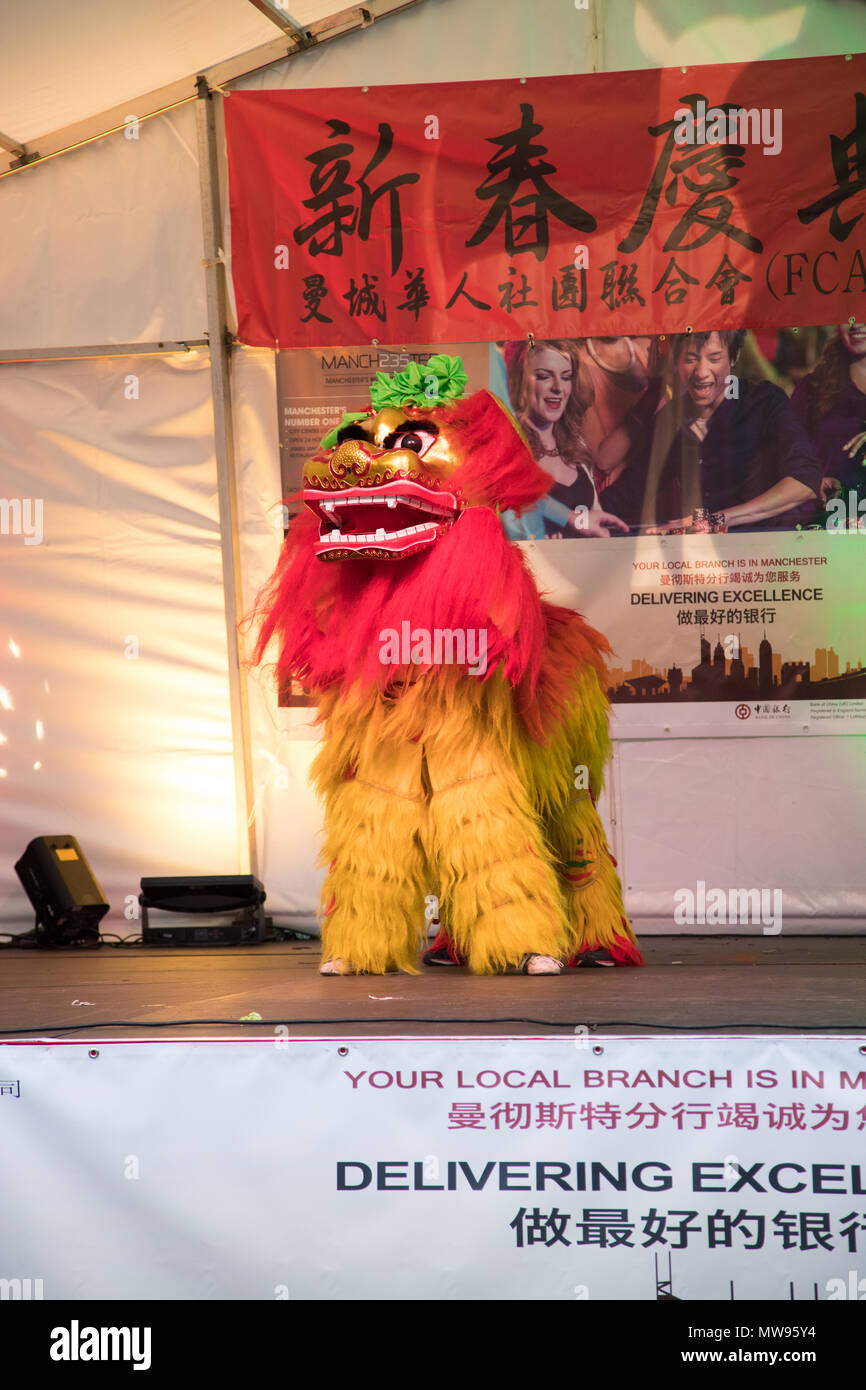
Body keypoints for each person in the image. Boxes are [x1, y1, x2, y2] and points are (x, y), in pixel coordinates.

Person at [601, 329, 822, 532]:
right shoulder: (672, 418)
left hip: (766, 552)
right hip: (705, 559)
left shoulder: (764, 402)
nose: (701, 372)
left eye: (714, 359)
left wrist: (716, 520)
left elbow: (804, 482)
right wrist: (575, 515)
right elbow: (629, 492)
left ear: (733, 359)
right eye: (690, 359)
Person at [502, 340, 629, 538]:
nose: (558, 387)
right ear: (520, 381)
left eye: (566, 377)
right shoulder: (508, 447)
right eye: (544, 376)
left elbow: (589, 520)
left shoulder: (576, 446)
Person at [791, 321, 866, 509]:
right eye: (847, 312)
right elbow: (787, 454)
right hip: (827, 518)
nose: (855, 322)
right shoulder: (812, 388)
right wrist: (814, 481)